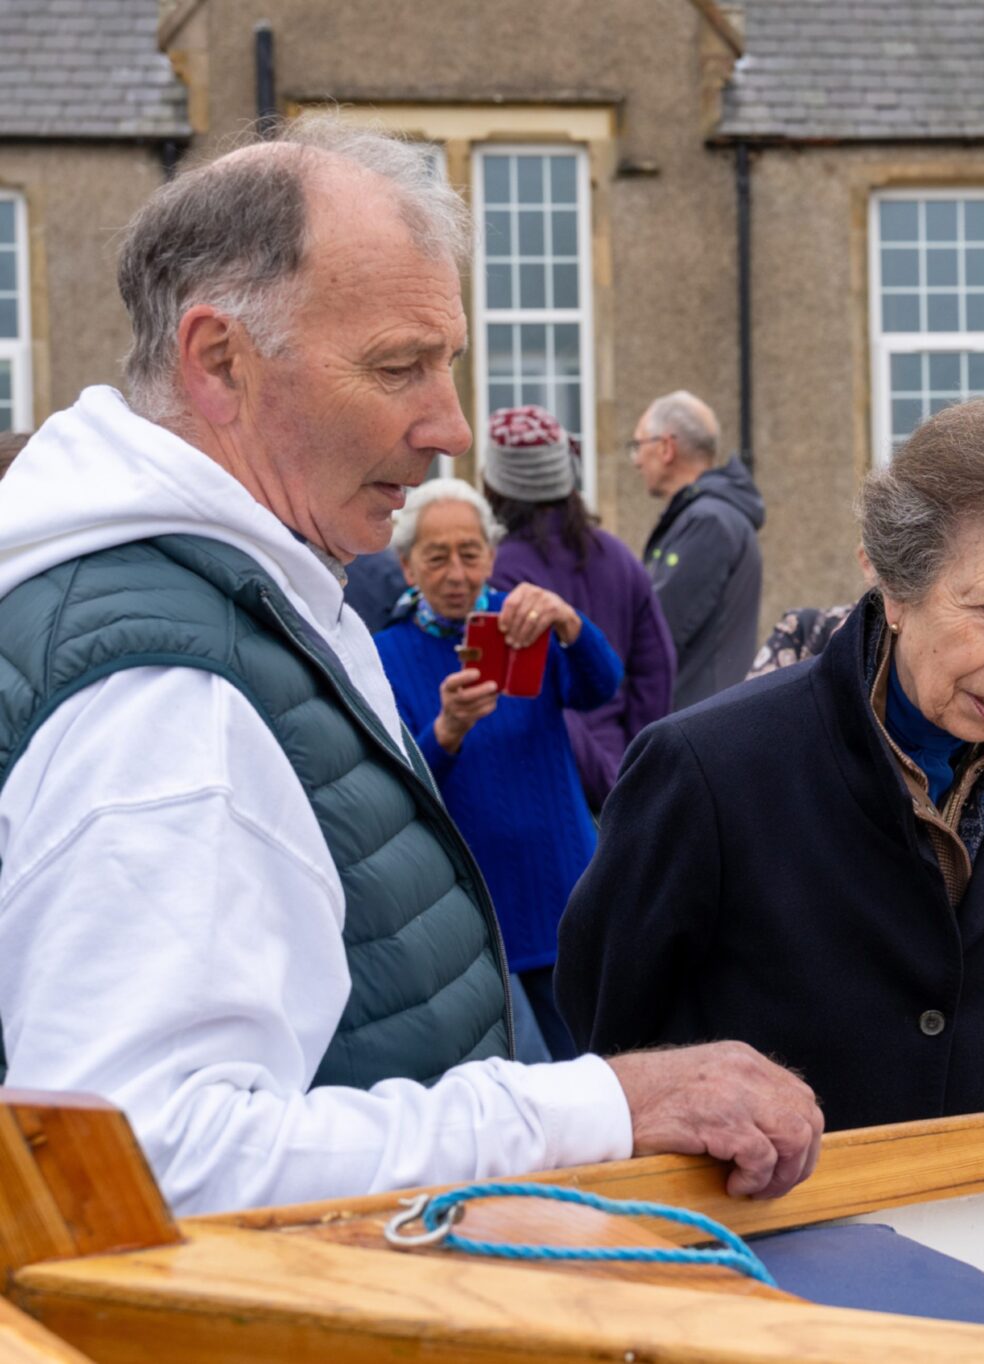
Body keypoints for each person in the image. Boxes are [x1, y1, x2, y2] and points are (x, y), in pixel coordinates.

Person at [0, 118, 821, 1216]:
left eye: (447, 365)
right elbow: (149, 1161)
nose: (448, 425)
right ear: (217, 362)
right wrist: (593, 1106)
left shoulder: (215, 591)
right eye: (399, 365)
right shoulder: (163, 695)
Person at [558, 400, 984, 1131]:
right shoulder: (707, 768)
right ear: (895, 588)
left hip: (949, 1213)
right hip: (751, 1224)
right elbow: (606, 1032)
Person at [377, 478, 622, 1062]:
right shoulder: (385, 654)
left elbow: (601, 687)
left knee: (595, 1065)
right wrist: (447, 730)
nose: (457, 573)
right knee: (523, 1090)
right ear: (408, 568)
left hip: (564, 887)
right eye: (437, 558)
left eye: (470, 553)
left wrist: (570, 624)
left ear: (491, 556)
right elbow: (398, 784)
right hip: (475, 909)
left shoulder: (522, 629)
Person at [482, 405, 676, 811]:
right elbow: (657, 671)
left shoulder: (500, 577)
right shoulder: (619, 557)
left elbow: (529, 700)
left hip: (554, 785)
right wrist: (635, 767)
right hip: (629, 770)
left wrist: (604, 778)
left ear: (495, 486)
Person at [629, 391, 764, 710]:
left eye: (639, 445)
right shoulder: (704, 517)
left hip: (699, 728)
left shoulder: (707, 523)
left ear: (666, 447)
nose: (635, 461)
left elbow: (658, 631)